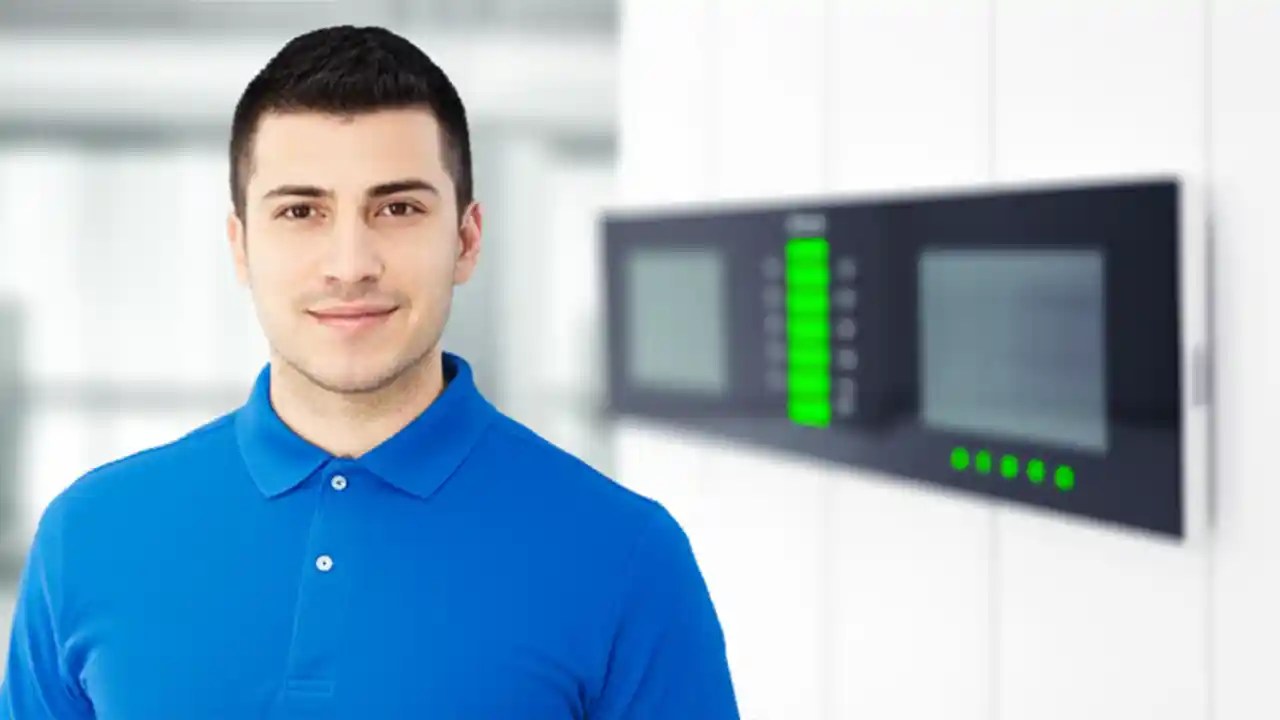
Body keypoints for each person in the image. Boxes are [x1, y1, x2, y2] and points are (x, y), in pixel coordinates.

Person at [0, 25, 739, 719]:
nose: (351, 266)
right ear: (240, 244)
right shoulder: (89, 535)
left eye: (398, 208)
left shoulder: (626, 556)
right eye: (300, 213)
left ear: (467, 237)